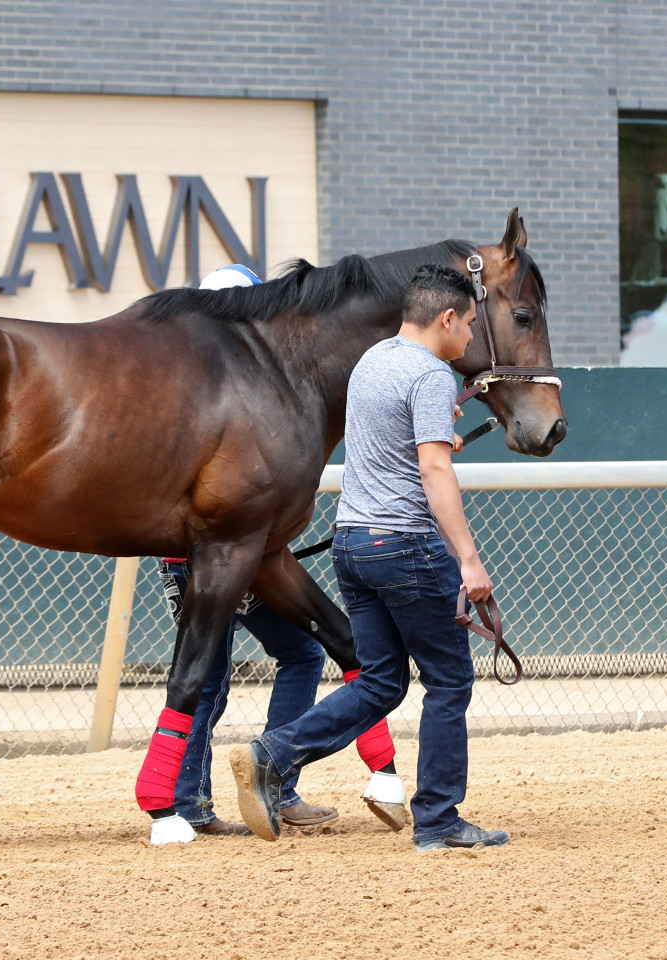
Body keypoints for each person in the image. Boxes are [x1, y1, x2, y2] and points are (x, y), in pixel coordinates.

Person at [229, 262, 511, 853]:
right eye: (468, 325)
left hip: (354, 544)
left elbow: (391, 442)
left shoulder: (373, 360)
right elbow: (433, 470)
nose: (470, 338)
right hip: (406, 546)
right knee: (450, 680)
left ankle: (272, 753)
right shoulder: (431, 375)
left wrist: (438, 433)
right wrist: (469, 559)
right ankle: (438, 820)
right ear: (447, 317)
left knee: (382, 680)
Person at [157, 264, 408, 839]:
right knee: (254, 662)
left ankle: (227, 791)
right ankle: (244, 787)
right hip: (218, 557)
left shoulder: (194, 381)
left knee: (254, 661)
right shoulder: (247, 389)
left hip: (195, 556)